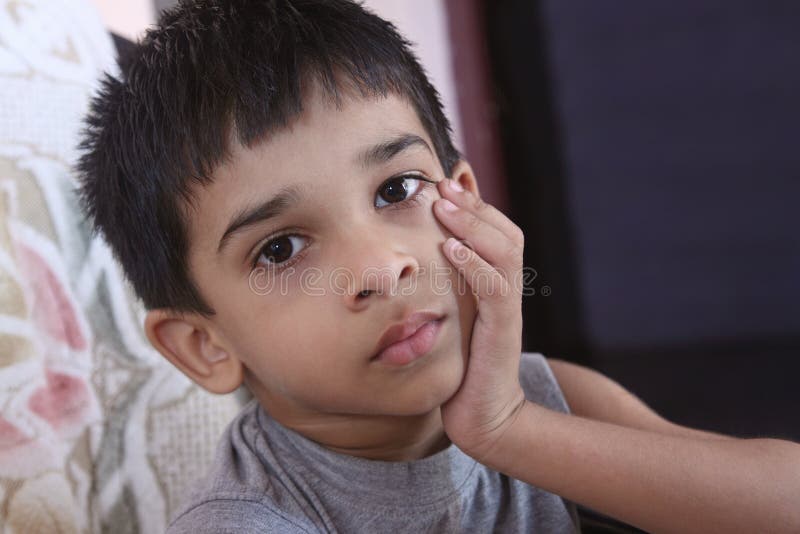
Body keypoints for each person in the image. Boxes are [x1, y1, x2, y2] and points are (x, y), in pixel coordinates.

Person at [76, 0, 800, 532]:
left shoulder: (548, 398)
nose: (383, 266)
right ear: (206, 345)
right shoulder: (251, 523)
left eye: (397, 189)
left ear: (466, 202)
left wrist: (512, 429)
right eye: (280, 247)